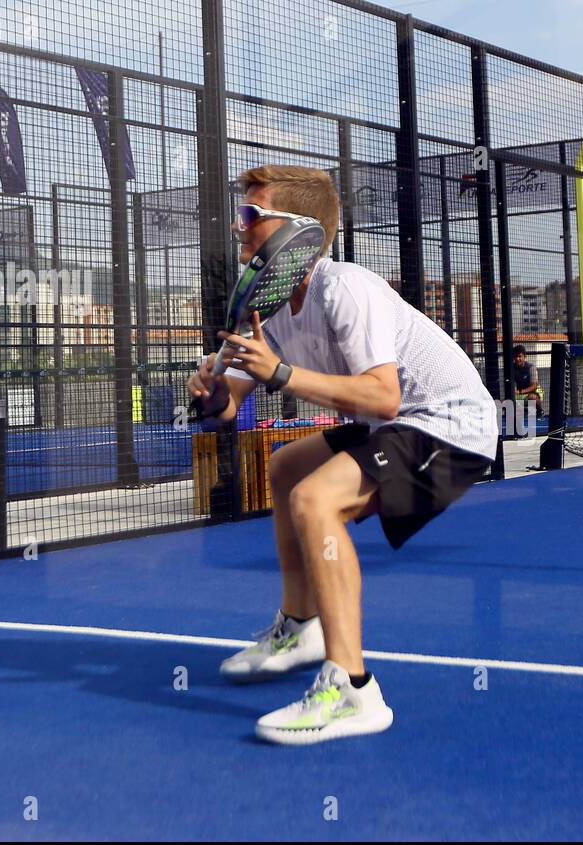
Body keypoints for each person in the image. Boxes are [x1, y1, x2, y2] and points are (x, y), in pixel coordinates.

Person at [186, 165, 498, 744]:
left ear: (298, 230)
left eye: (252, 214)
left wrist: (282, 374)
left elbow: (383, 396)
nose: (237, 226)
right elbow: (229, 406)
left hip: (451, 424)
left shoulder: (345, 286)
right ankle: (300, 625)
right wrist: (210, 397)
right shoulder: (276, 310)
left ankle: (352, 688)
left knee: (316, 500)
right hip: (396, 423)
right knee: (287, 467)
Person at [513, 345, 544, 419]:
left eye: (520, 356)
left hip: (533, 392)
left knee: (532, 397)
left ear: (525, 357)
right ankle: (523, 410)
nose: (517, 359)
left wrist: (520, 392)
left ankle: (539, 410)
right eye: (515, 356)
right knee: (506, 401)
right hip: (520, 393)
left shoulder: (531, 367)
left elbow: (534, 386)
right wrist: (514, 392)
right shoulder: (512, 368)